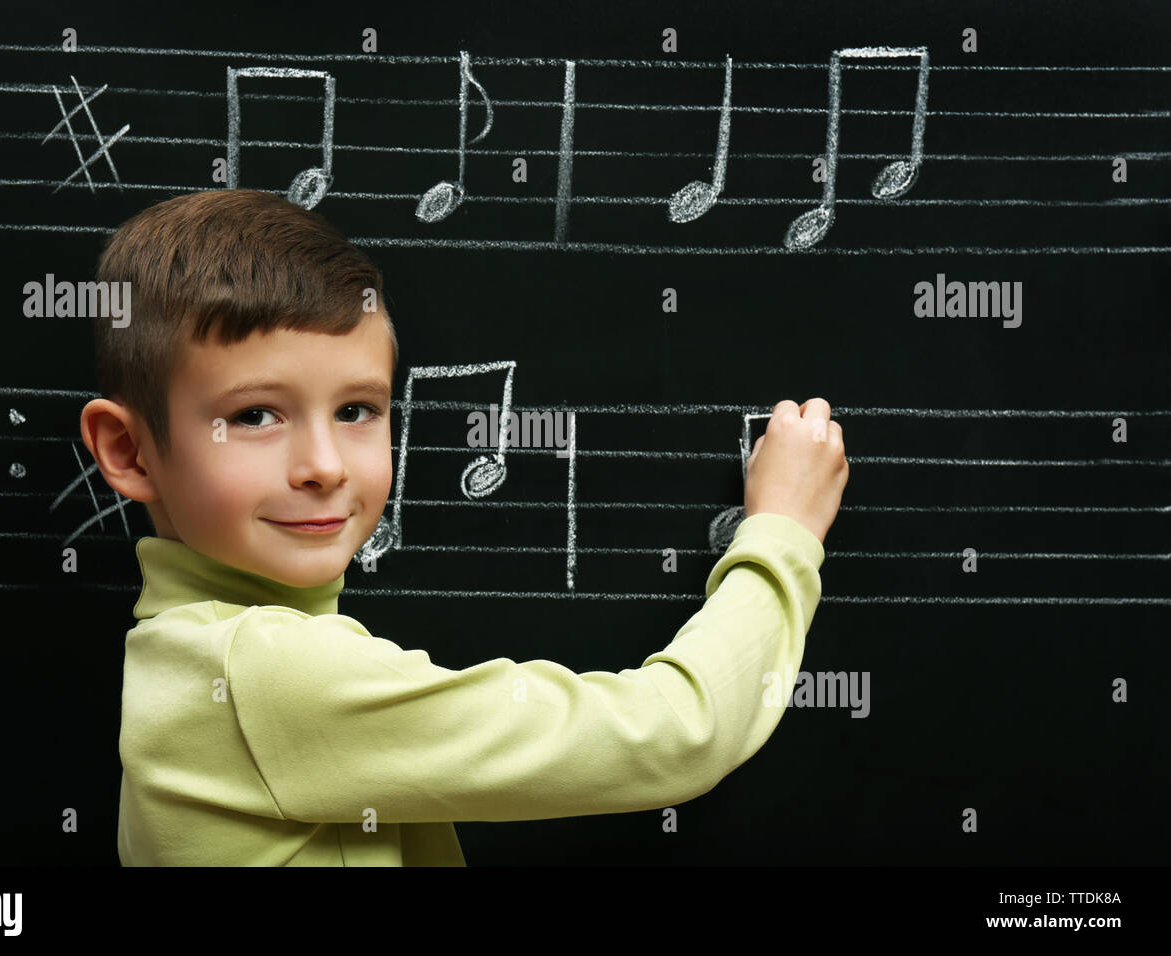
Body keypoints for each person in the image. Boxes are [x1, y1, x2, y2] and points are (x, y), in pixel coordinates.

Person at [79, 188, 848, 865]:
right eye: (254, 416)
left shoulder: (186, 652)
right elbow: (676, 735)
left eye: (357, 411)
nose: (323, 465)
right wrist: (782, 532)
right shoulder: (262, 672)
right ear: (129, 450)